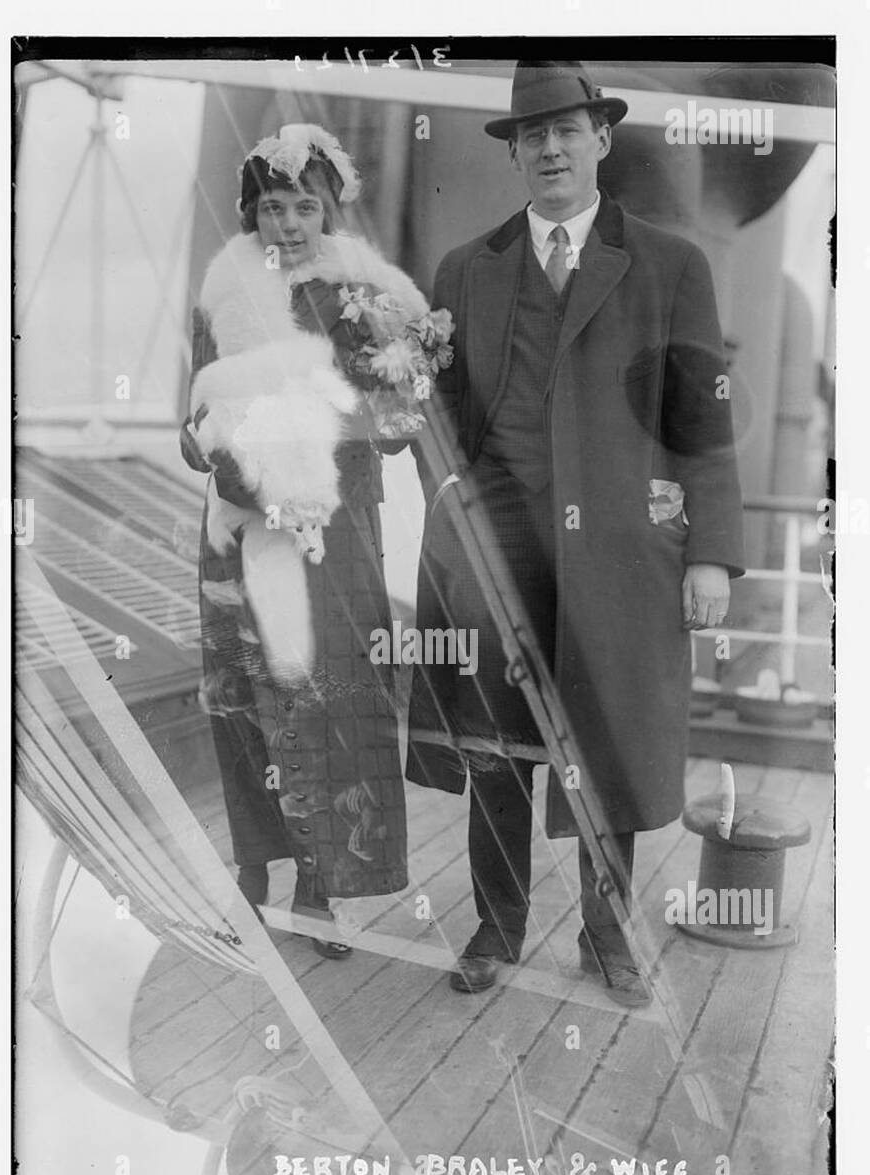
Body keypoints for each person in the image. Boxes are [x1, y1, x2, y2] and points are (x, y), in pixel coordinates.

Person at [407, 62, 745, 1002]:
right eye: (531, 135)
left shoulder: (672, 265)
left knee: (606, 739)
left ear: (601, 139)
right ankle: (496, 926)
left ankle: (606, 937)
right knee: (493, 740)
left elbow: (700, 422)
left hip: (615, 549)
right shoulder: (465, 268)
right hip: (495, 544)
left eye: (566, 130)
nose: (549, 148)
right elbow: (434, 411)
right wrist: (442, 491)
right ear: (514, 152)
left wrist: (711, 551)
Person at [180, 125, 429, 956]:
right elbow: (192, 425)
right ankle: (254, 879)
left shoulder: (366, 295)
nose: (289, 225)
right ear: (251, 212)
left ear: (330, 208)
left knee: (331, 706)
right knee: (245, 703)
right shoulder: (223, 294)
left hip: (337, 530)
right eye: (272, 208)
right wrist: (218, 441)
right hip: (242, 527)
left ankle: (322, 892)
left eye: (305, 207)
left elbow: (398, 427)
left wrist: (362, 409)